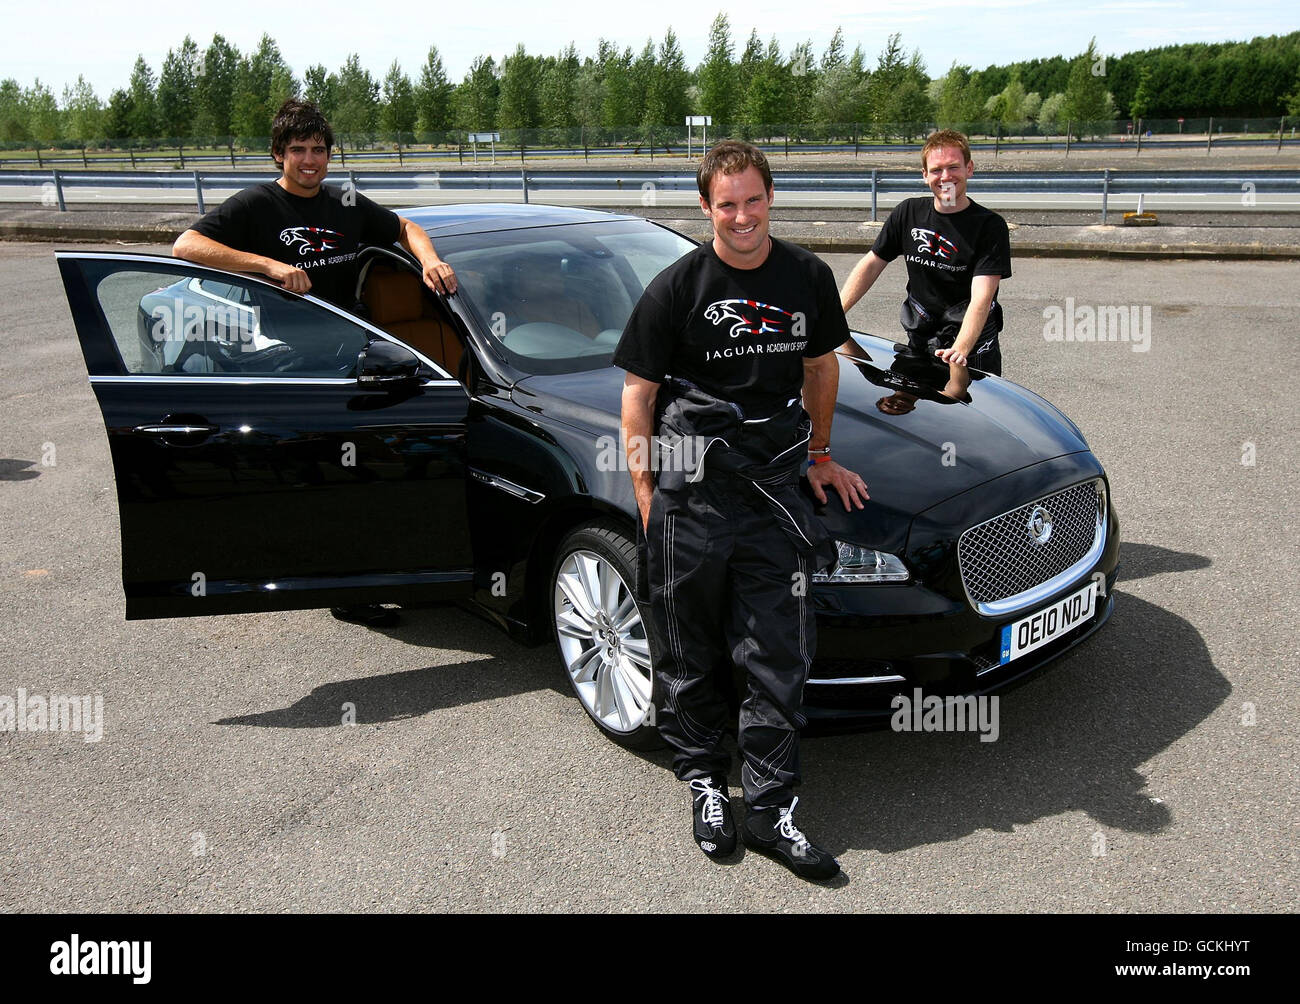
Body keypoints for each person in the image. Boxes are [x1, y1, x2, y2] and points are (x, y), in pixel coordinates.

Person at [614, 141, 868, 881]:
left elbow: (821, 367)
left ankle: (769, 808)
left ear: (770, 198)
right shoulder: (676, 288)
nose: (741, 215)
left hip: (772, 490)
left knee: (777, 652)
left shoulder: (807, 277)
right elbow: (638, 396)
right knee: (687, 648)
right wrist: (645, 493)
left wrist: (820, 453)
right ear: (705, 207)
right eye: (726, 203)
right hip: (691, 494)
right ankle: (703, 782)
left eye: (753, 200)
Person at [173, 98, 457, 629]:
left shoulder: (345, 203)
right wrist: (269, 265)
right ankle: (336, 585)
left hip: (357, 352)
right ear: (278, 154)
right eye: (298, 150)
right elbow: (186, 245)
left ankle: (388, 567)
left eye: (319, 150)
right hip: (297, 363)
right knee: (325, 478)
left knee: (376, 467)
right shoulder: (256, 206)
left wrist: (431, 259)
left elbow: (405, 227)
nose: (310, 160)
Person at [839, 129, 1011, 375]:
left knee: (965, 411)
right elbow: (872, 264)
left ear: (969, 168)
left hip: (972, 350)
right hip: (922, 341)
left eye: (953, 167)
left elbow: (981, 299)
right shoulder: (909, 212)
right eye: (936, 170)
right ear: (925, 175)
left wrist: (960, 351)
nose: (945, 177)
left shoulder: (989, 226)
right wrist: (835, 314)